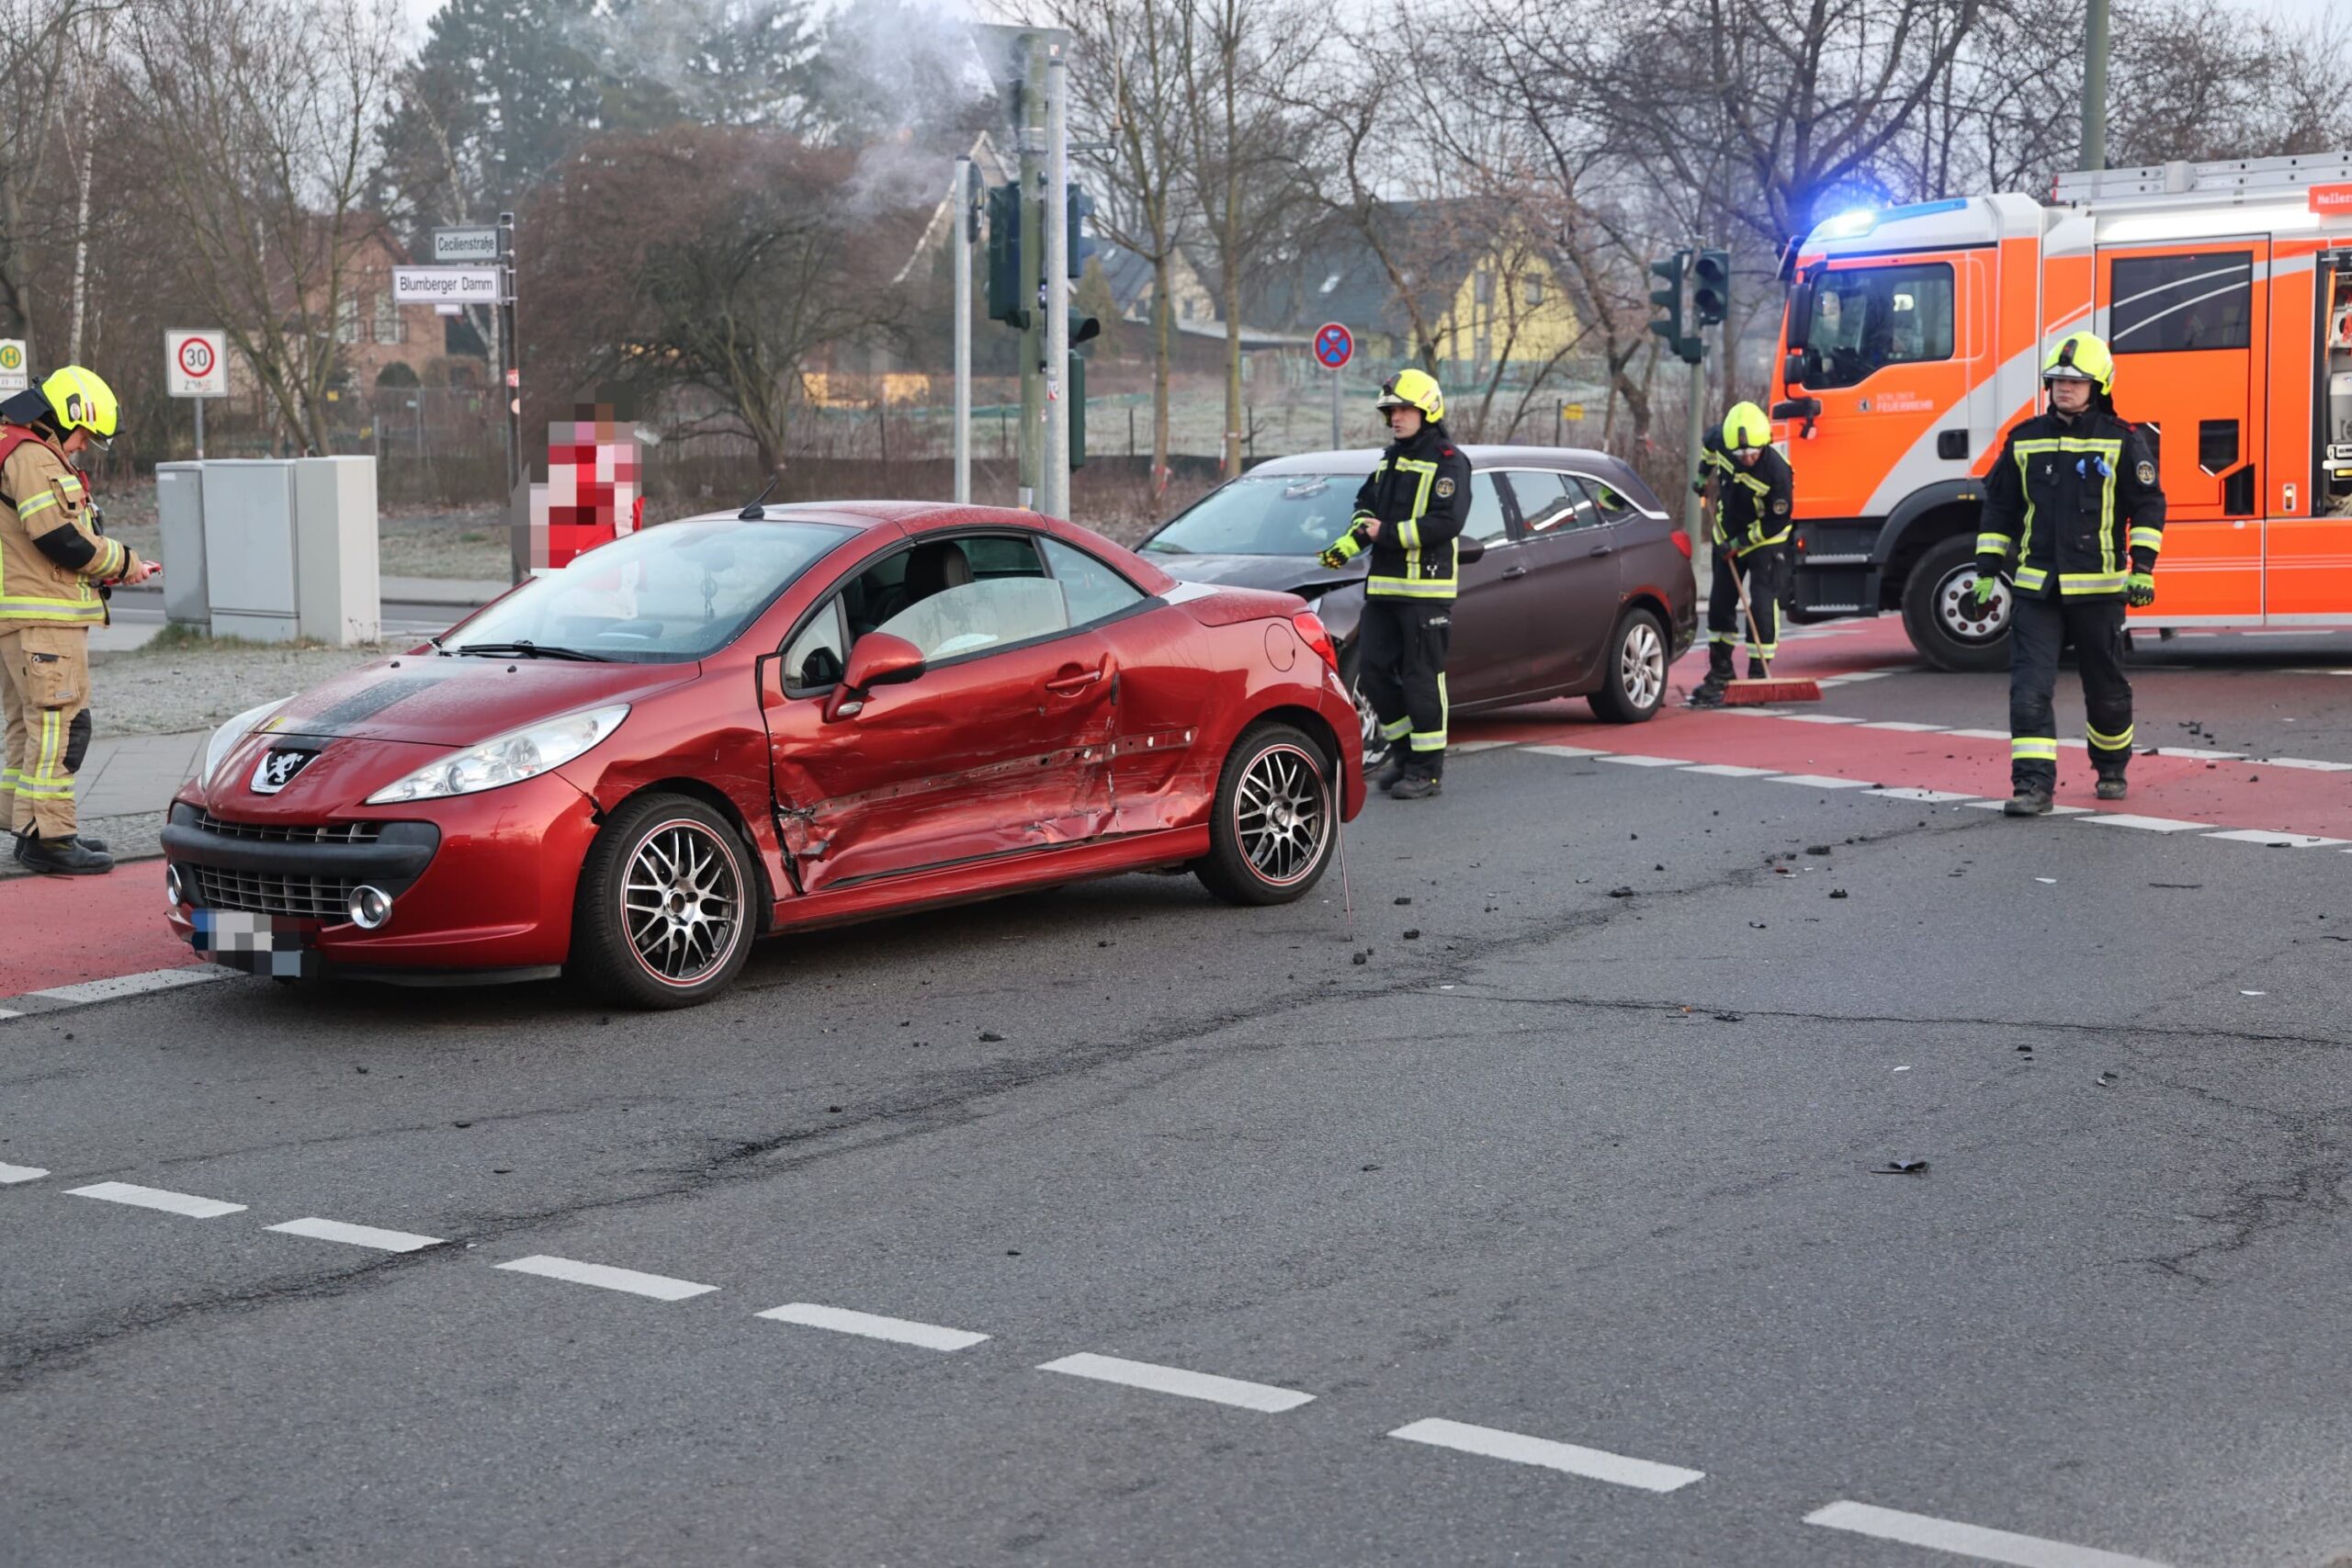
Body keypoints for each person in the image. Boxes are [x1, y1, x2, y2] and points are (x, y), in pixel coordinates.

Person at [1971, 332, 2164, 816]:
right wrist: (1986, 571)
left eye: (2075, 382)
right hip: (2038, 588)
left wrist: (2142, 569)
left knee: (2106, 687)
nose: (2064, 388)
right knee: (2029, 687)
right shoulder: (2025, 439)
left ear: (2098, 386)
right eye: (2057, 380)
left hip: (2099, 589)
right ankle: (2032, 786)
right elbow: (1999, 508)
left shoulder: (2123, 440)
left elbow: (2147, 506)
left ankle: (2112, 765)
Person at [0, 366, 155, 874]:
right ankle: (51, 838)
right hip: (44, 616)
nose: (85, 446)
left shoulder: (13, 446)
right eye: (86, 434)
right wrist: (126, 563)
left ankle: (28, 826)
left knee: (31, 727)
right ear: (67, 417)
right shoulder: (32, 456)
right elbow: (59, 539)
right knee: (62, 727)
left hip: (22, 617)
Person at [1318, 367, 1470, 800]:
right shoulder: (1390, 460)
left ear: (1427, 409)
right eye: (1390, 411)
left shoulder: (1449, 462)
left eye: (1403, 409)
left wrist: (1383, 533)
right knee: (1375, 675)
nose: (1395, 418)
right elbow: (1364, 505)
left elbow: (1447, 522)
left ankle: (1427, 771)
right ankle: (1405, 757)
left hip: (1426, 595)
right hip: (1383, 589)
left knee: (1423, 680)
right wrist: (1348, 543)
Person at [1687, 400, 1795, 706]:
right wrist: (1701, 476)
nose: (1746, 457)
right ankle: (1721, 673)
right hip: (1727, 531)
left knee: (1761, 603)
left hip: (1765, 540)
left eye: (1752, 452)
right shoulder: (1720, 439)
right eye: (1740, 454)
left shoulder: (1777, 473)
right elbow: (1708, 452)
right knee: (1721, 603)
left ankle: (1759, 674)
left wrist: (1740, 543)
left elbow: (1777, 520)